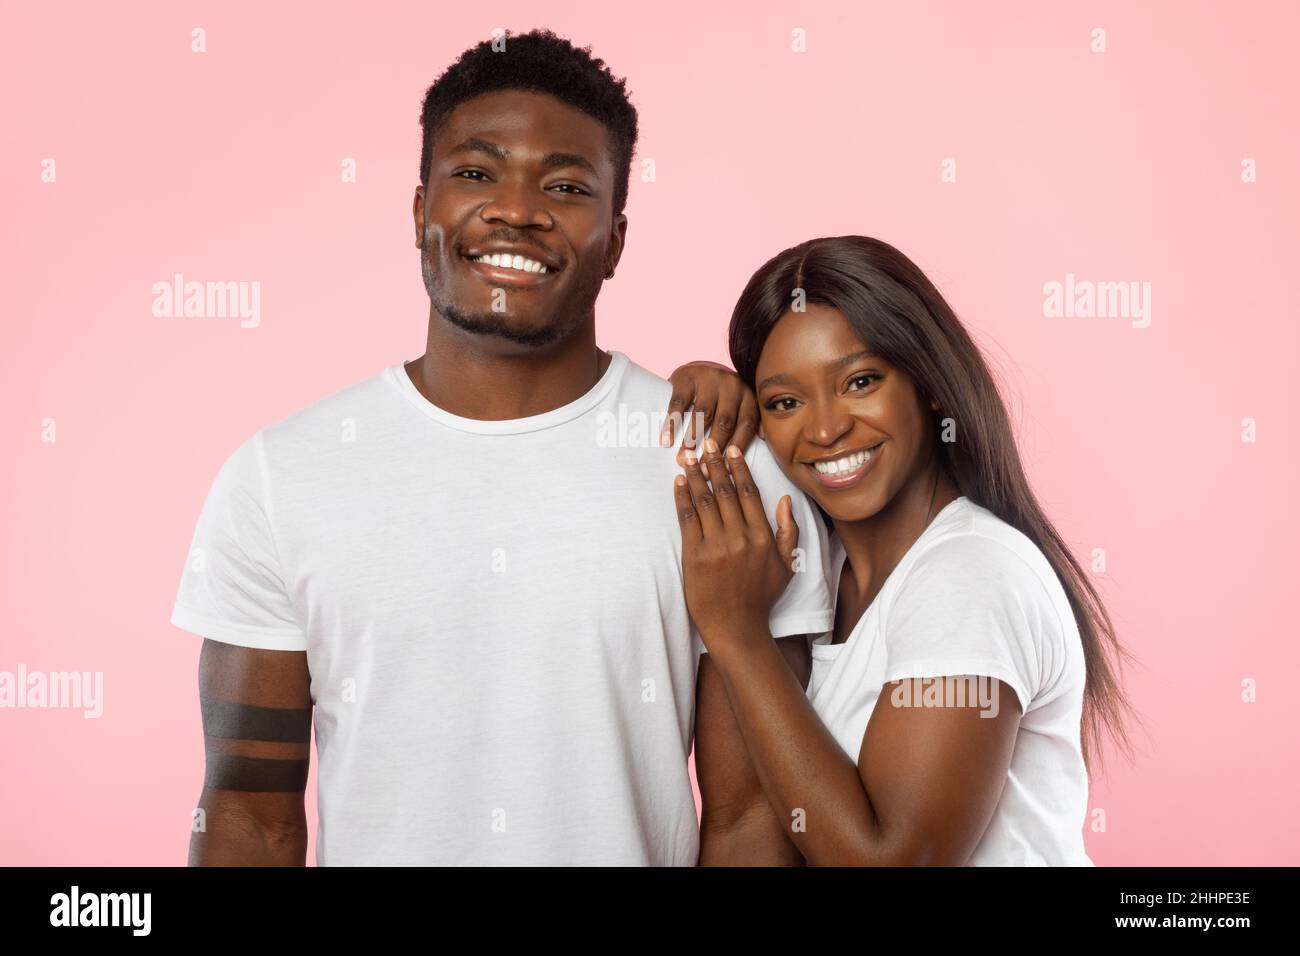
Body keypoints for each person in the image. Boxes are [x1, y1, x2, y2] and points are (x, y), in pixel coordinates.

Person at [172, 29, 833, 866]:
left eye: (564, 185)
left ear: (617, 241)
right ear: (421, 212)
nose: (517, 209)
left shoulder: (722, 467)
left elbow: (749, 821)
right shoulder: (279, 477)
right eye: (477, 173)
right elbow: (248, 813)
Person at [677, 235, 1139, 865]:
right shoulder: (815, 573)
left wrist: (737, 634)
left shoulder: (969, 574)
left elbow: (892, 861)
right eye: (786, 401)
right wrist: (708, 396)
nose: (824, 428)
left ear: (931, 385)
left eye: (860, 381)